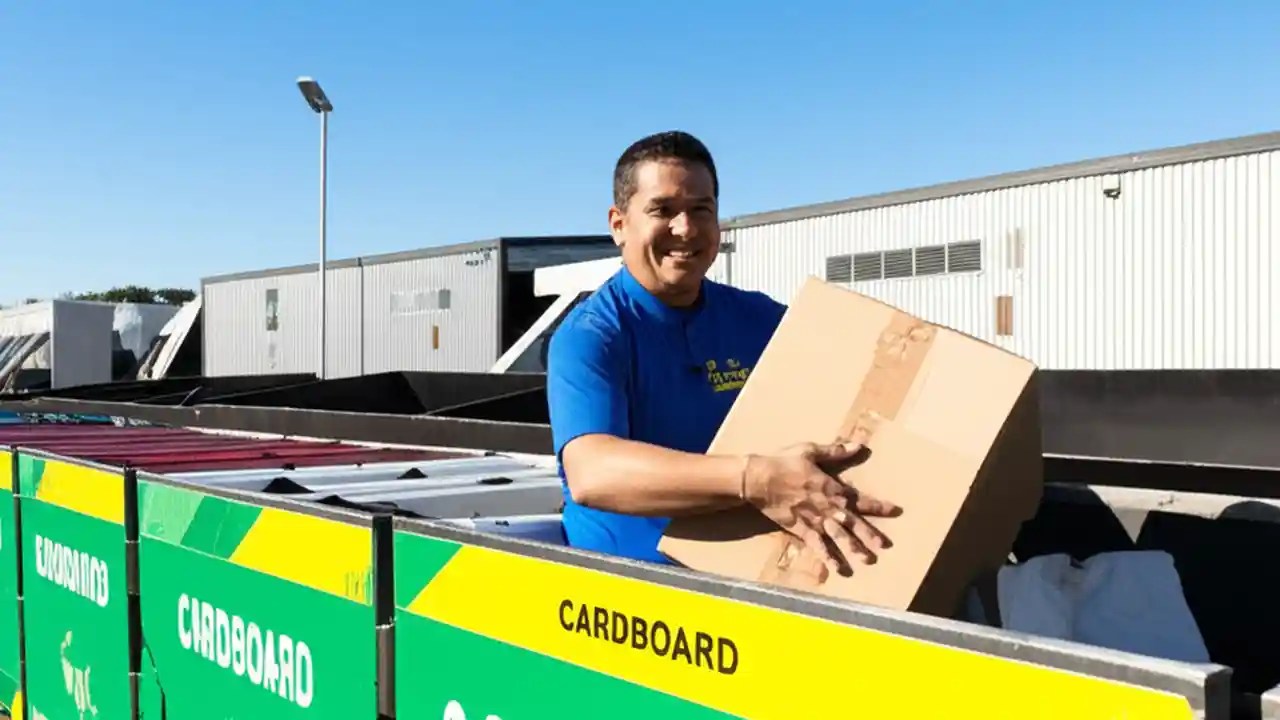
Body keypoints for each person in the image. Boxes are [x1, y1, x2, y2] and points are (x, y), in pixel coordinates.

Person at [545, 130, 898, 574]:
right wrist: (757, 480)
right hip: (632, 595)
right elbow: (592, 473)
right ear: (619, 224)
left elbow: (879, 384)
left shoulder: (760, 318)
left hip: (757, 574)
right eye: (662, 209)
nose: (685, 229)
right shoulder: (592, 335)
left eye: (701, 209)